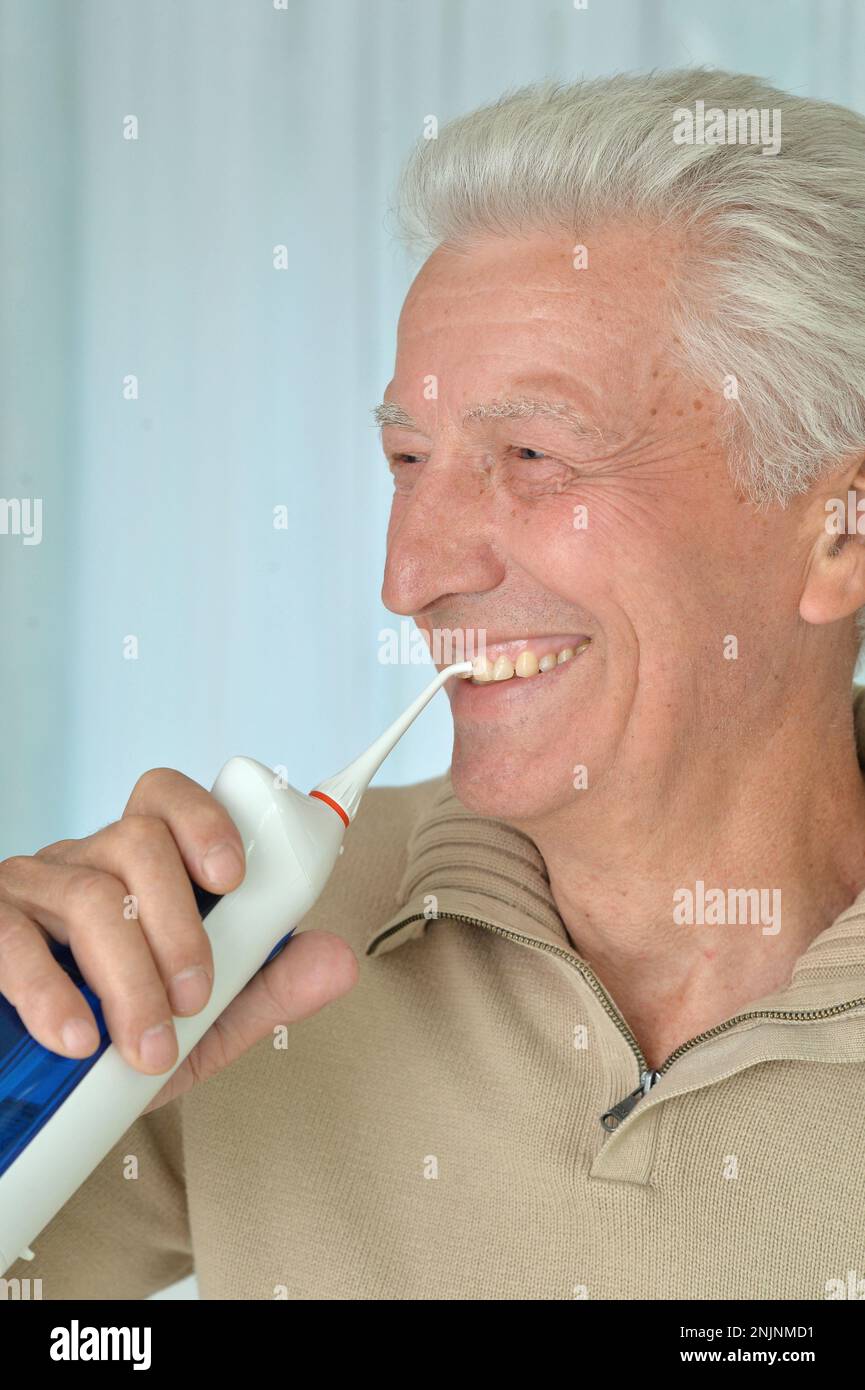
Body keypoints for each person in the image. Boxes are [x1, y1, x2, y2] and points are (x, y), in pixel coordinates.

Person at [3, 66, 865, 1300]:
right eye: (407, 456)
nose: (409, 574)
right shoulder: (228, 957)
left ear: (839, 527)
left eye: (529, 453)